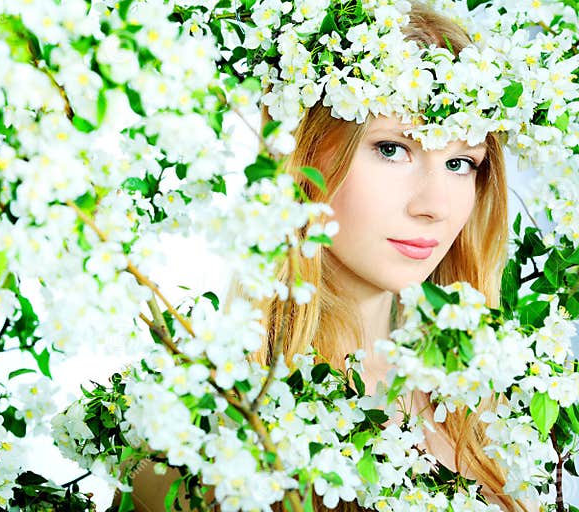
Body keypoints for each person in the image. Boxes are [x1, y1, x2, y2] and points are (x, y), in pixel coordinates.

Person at [121, 2, 525, 511]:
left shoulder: (492, 403)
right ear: (303, 148)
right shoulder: (198, 427)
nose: (435, 207)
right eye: (393, 149)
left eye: (460, 162)